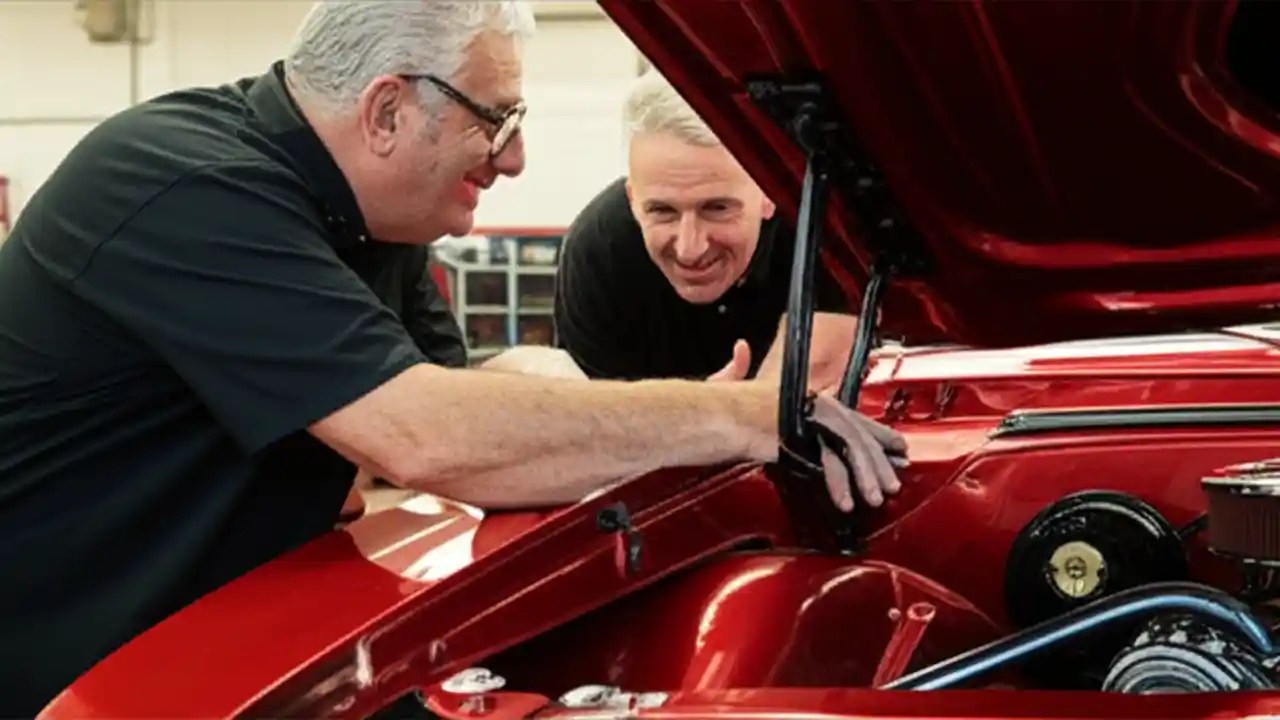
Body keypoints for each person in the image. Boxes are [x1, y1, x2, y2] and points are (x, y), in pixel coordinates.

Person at [0, 1, 904, 713]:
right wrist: (737, 415)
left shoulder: (369, 221)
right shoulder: (183, 186)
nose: (515, 158)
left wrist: (642, 424)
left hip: (231, 654)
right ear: (388, 108)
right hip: (78, 672)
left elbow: (473, 394)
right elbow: (428, 437)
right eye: (495, 118)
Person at [553, 68, 859, 389]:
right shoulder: (597, 252)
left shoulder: (828, 233)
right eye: (662, 211)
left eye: (717, 208)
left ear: (771, 193)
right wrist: (709, 414)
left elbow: (818, 375)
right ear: (633, 200)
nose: (690, 248)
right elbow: (594, 423)